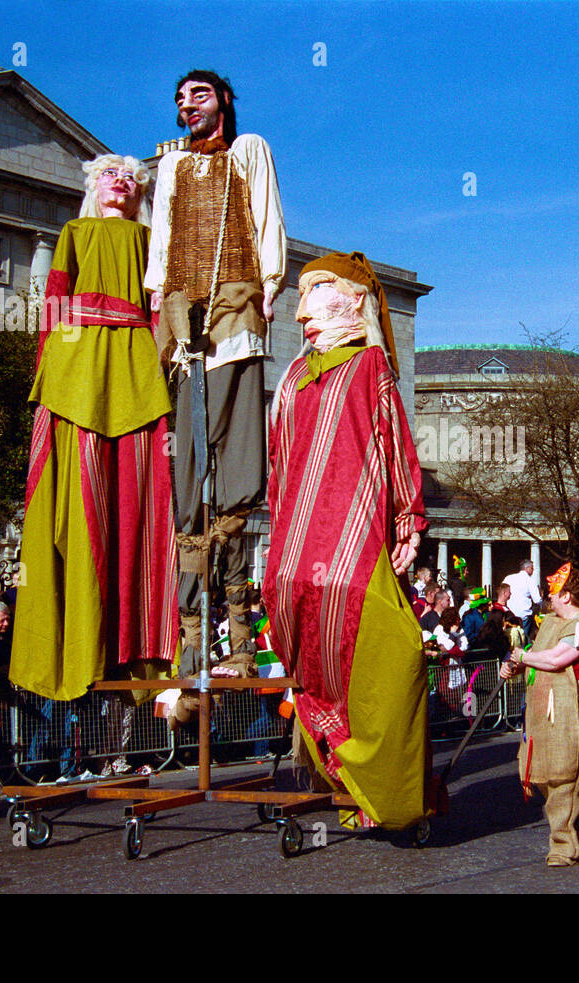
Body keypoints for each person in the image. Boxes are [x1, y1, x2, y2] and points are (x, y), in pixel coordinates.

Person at [264, 250, 429, 830]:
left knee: (389, 654)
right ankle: (342, 781)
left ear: (355, 299)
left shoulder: (369, 369)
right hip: (291, 550)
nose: (300, 309)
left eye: (315, 290)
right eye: (299, 293)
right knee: (310, 660)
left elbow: (392, 440)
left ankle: (392, 790)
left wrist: (407, 515)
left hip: (352, 548)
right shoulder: (290, 376)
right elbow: (277, 465)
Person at [11, 152, 177, 702]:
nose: (121, 184)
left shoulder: (153, 240)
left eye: (131, 178)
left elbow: (160, 310)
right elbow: (55, 301)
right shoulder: (75, 231)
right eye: (110, 175)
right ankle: (70, 646)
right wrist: (48, 370)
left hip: (134, 367)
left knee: (138, 504)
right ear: (93, 186)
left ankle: (138, 658)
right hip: (77, 368)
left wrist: (163, 362)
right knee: (74, 503)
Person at [146, 69, 287, 674]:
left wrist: (270, 286)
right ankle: (191, 637)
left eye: (198, 93)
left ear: (223, 100)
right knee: (189, 464)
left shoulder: (248, 148)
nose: (187, 104)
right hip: (183, 311)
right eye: (180, 98)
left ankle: (238, 631)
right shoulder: (172, 166)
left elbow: (266, 218)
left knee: (234, 457)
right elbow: (162, 240)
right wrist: (159, 301)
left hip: (235, 301)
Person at [498, 563, 579, 867]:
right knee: (546, 776)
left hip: (573, 708)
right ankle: (577, 821)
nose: (548, 598)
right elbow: (536, 655)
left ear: (567, 595)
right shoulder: (552, 623)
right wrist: (514, 665)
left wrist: (525, 657)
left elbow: (559, 658)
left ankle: (562, 846)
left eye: (553, 593)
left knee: (564, 775)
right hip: (544, 708)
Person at [505, 560, 542, 640]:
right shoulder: (530, 580)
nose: (533, 571)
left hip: (509, 614)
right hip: (523, 615)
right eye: (532, 568)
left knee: (511, 638)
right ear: (527, 568)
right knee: (523, 639)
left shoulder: (509, 578)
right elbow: (537, 600)